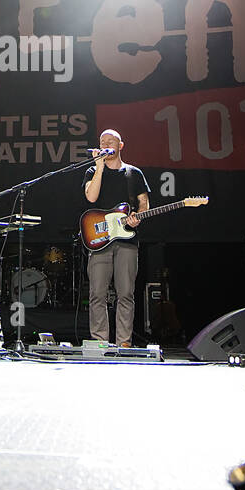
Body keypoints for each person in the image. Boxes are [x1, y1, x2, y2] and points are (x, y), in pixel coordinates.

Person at [83, 129, 150, 346]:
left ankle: (124, 342)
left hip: (127, 239)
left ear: (121, 145)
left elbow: (143, 202)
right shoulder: (92, 171)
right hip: (99, 239)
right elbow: (91, 197)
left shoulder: (134, 173)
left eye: (111, 141)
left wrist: (137, 217)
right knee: (97, 293)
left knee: (126, 293)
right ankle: (100, 341)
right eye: (103, 142)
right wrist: (99, 167)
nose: (106, 144)